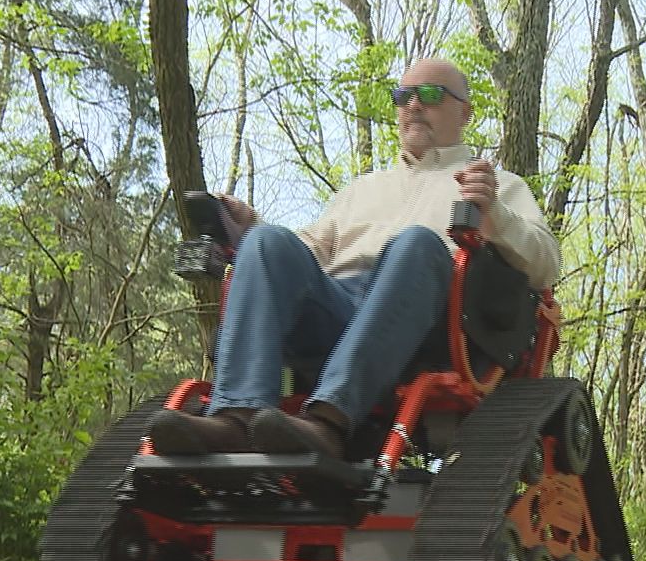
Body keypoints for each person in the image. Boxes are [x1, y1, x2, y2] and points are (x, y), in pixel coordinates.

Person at [148, 56, 560, 460]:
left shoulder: (498, 186)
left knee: (416, 243)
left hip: (429, 319)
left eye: (432, 94)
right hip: (338, 309)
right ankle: (236, 418)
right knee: (267, 241)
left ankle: (329, 421)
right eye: (404, 96)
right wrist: (248, 233)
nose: (415, 104)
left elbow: (546, 265)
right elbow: (306, 251)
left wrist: (497, 216)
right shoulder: (362, 190)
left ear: (465, 112)